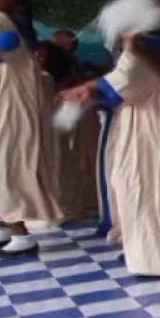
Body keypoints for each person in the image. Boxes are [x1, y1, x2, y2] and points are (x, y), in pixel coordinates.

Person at [59, 24, 160, 276]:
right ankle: (155, 250)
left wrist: (86, 89)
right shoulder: (159, 49)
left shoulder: (139, 50)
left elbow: (124, 81)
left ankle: (156, 256)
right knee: (155, 186)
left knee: (142, 185)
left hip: (147, 127)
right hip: (157, 120)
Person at [0, 0, 62, 256]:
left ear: (18, 4)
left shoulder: (6, 22)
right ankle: (4, 227)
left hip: (8, 108)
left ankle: (22, 236)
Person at [36, 40, 100, 222]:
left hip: (66, 137)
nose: (36, 59)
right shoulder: (45, 81)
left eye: (41, 56)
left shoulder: (51, 83)